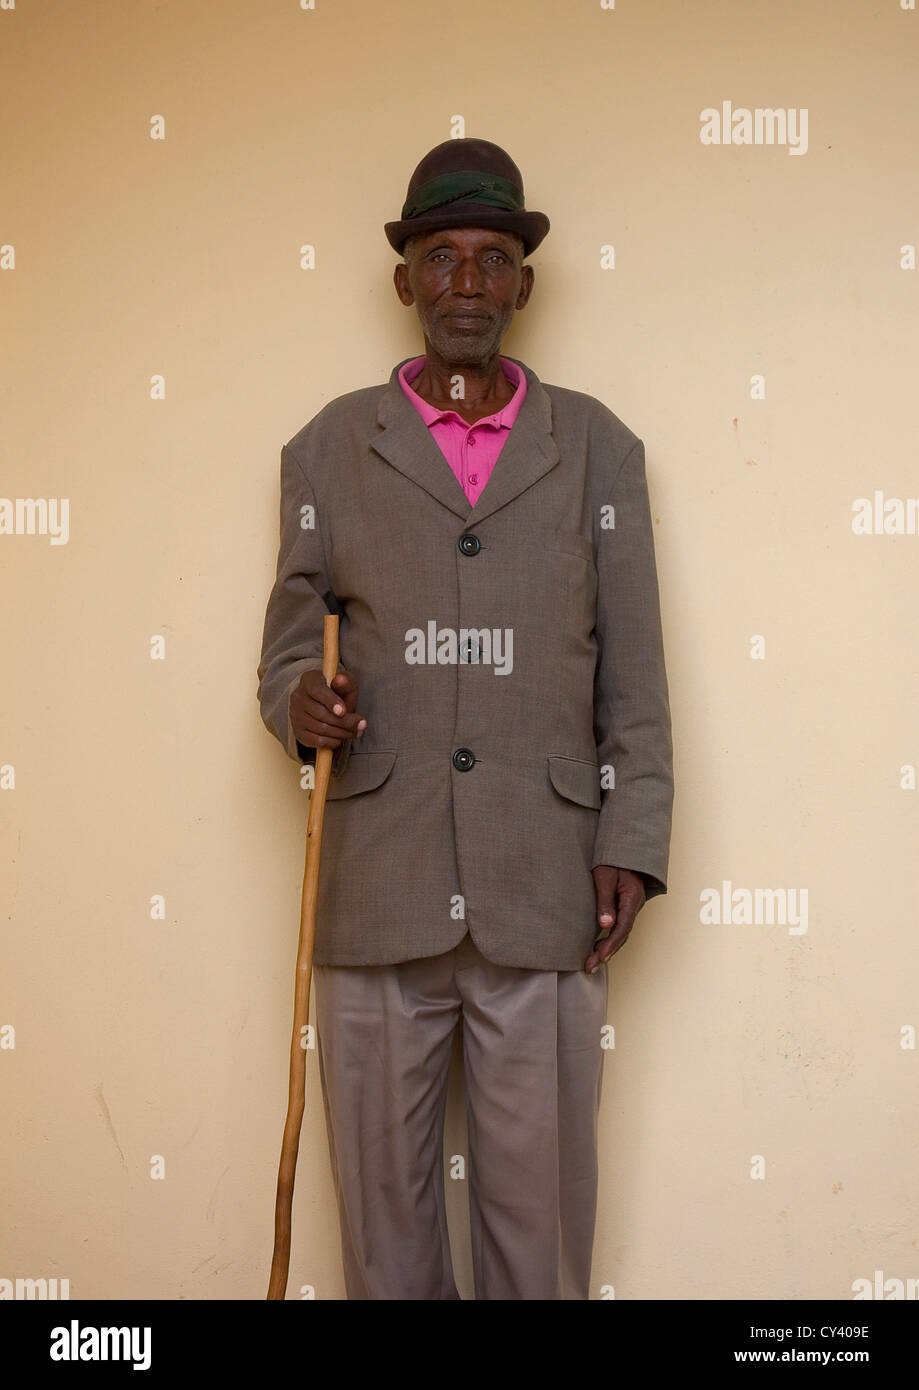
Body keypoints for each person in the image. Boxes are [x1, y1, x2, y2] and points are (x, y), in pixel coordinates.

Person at [257, 137, 673, 1300]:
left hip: (545, 887)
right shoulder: (327, 449)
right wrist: (298, 699)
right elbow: (289, 641)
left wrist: (628, 844)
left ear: (525, 285)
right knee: (383, 1229)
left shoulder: (597, 448)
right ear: (404, 280)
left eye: (494, 260)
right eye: (442, 258)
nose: (469, 284)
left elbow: (634, 673)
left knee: (535, 1226)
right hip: (375, 886)